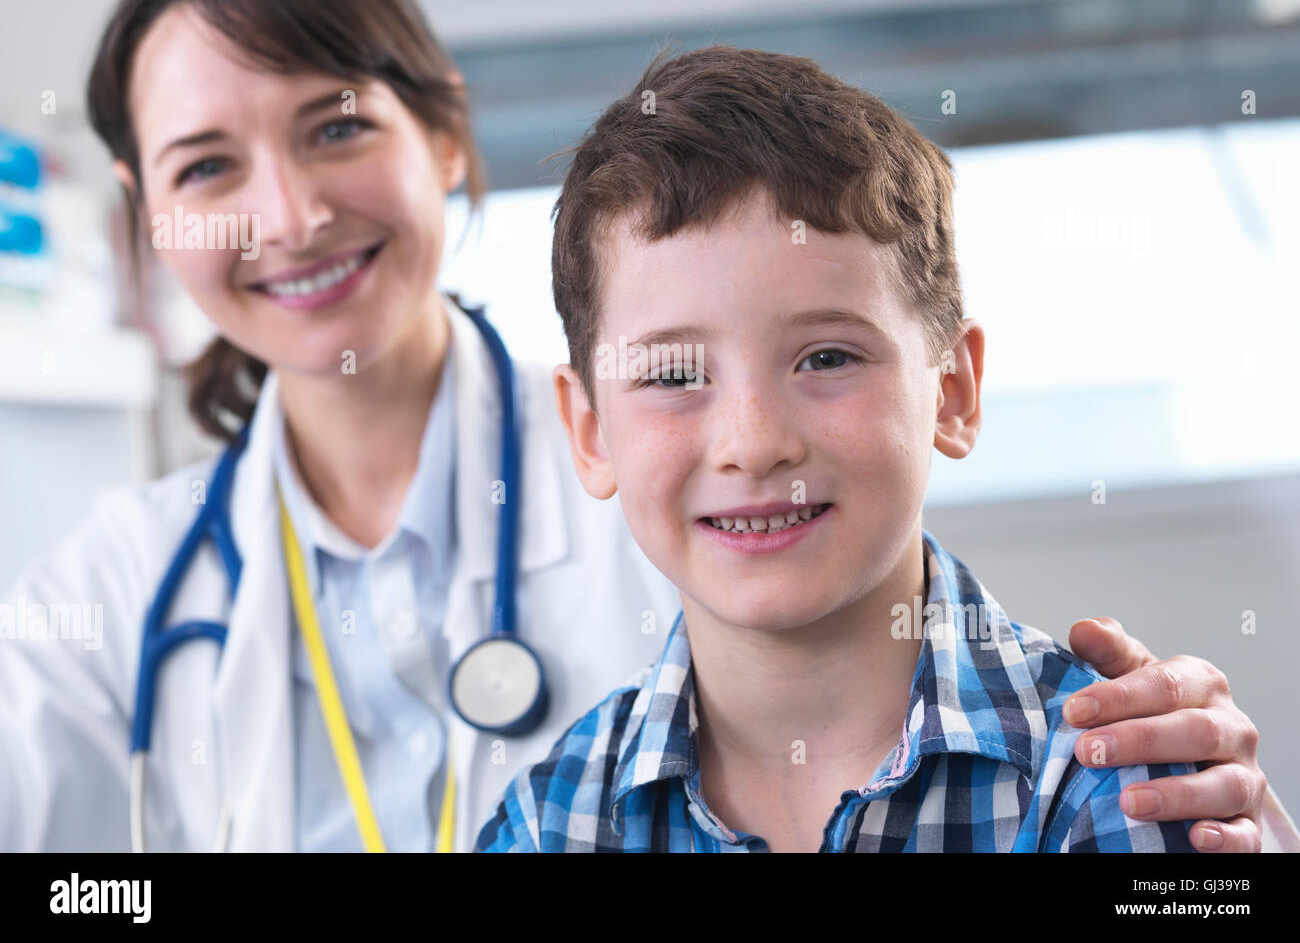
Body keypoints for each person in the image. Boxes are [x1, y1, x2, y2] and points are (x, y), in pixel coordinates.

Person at [0, 0, 1279, 853]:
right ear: (147, 216)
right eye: (206, 166)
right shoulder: (122, 584)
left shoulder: (1047, 756)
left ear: (445, 134)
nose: (286, 215)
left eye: (335, 126)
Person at [475, 46, 1294, 852]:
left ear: (953, 391)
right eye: (676, 374)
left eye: (826, 358)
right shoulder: (549, 823)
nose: (754, 443)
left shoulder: (1120, 777)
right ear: (588, 431)